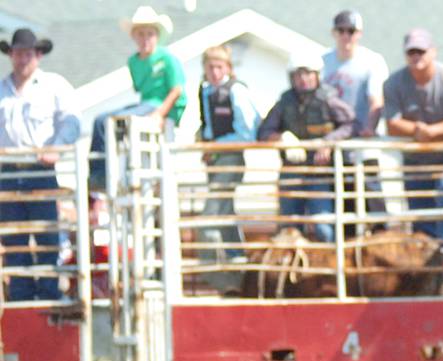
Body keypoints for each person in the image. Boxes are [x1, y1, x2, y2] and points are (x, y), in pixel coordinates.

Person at [0, 28, 80, 301]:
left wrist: (56, 147)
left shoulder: (53, 86)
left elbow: (71, 122)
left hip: (40, 168)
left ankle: (47, 292)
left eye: (28, 54)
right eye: (19, 53)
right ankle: (21, 294)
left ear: (38, 56)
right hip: (8, 170)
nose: (23, 59)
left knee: (47, 234)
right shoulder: (1, 89)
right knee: (14, 237)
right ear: (11, 55)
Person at [383, 28, 443, 242]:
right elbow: (391, 124)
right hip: (415, 160)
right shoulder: (394, 82)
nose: (416, 56)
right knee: (420, 215)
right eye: (412, 52)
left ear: (433, 52)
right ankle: (429, 268)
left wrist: (430, 132)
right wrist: (418, 131)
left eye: (421, 51)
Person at [257, 52, 355, 243]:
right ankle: (294, 271)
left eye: (308, 73)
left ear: (317, 75)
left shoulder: (329, 99)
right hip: (291, 174)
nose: (303, 79)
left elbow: (350, 124)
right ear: (292, 77)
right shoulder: (284, 103)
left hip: (320, 174)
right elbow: (263, 132)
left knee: (324, 228)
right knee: (290, 229)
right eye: (298, 74)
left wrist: (329, 142)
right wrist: (282, 138)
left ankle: (330, 270)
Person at [89, 6, 186, 189]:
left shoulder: (167, 58)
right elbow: (141, 90)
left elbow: (176, 89)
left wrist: (160, 113)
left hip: (160, 107)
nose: (145, 39)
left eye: (149, 34)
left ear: (156, 36)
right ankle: (99, 174)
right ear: (134, 36)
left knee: (117, 121)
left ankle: (106, 174)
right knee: (101, 120)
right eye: (141, 34)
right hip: (146, 104)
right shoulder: (134, 62)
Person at [322, 9, 389, 220]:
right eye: (341, 30)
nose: (345, 35)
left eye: (350, 30)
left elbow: (376, 99)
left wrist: (369, 127)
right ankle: (348, 244)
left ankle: (378, 237)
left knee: (372, 194)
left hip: (361, 142)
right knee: (342, 202)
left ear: (358, 33)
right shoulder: (323, 61)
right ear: (334, 33)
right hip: (334, 143)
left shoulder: (372, 61)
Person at [196, 45, 259, 267]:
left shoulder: (236, 91)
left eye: (219, 67)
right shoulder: (205, 91)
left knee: (211, 216)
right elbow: (209, 125)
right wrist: (204, 142)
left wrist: (215, 145)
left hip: (230, 158)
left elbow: (248, 133)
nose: (214, 72)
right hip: (215, 160)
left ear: (228, 68)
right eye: (210, 67)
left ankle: (215, 270)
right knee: (225, 210)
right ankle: (237, 260)